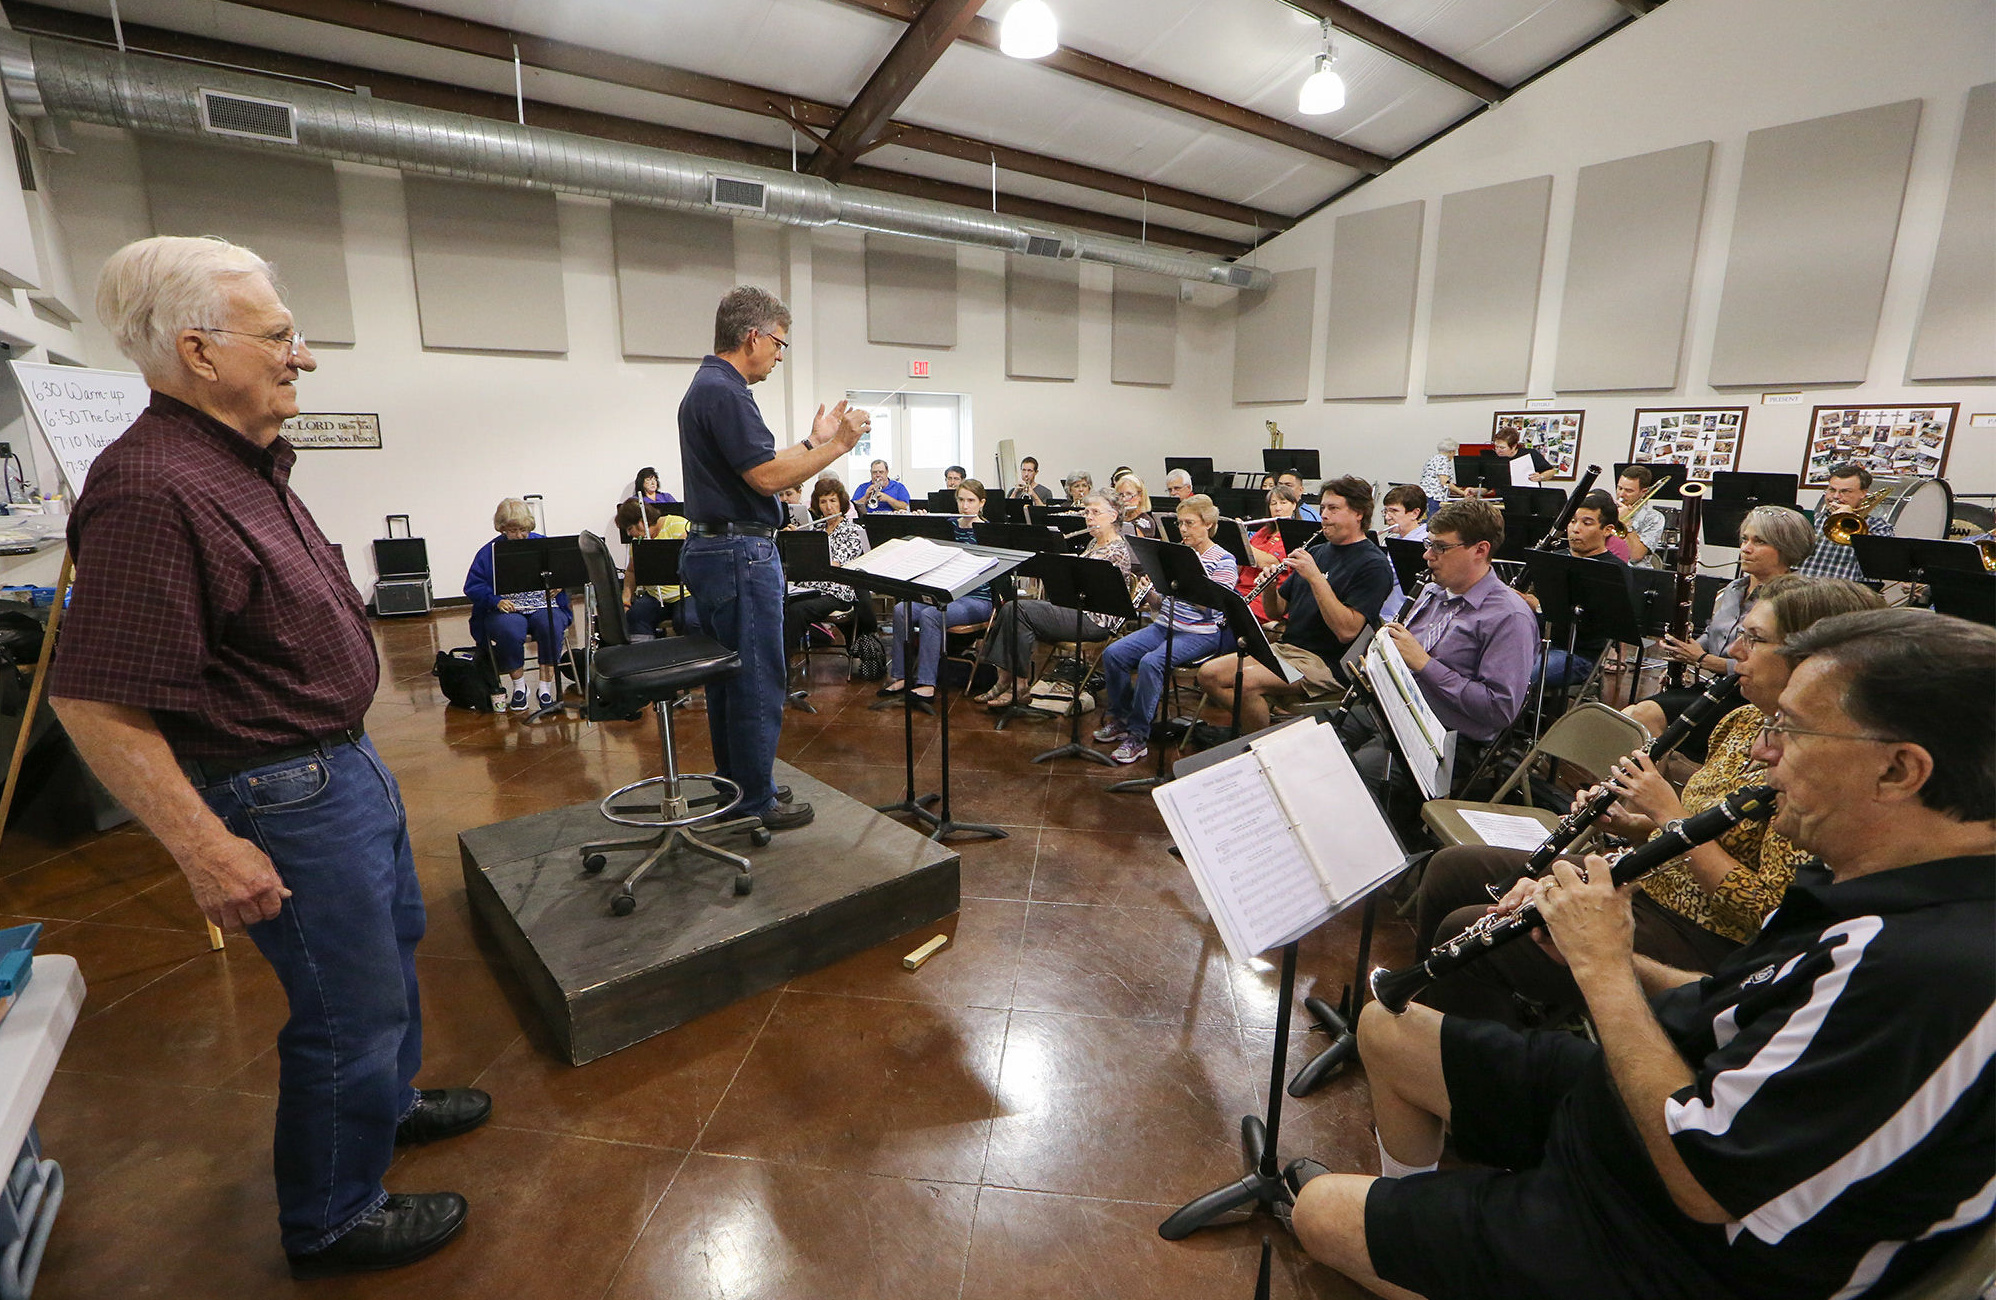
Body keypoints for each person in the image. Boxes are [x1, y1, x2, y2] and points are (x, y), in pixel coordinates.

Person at [1289, 607, 1995, 1300]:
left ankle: (1455, 1239)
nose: (1762, 751)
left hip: (1676, 1248)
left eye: (1793, 730)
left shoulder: (1931, 968)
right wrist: (1615, 952)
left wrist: (1600, 970)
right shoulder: (1864, 878)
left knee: (1319, 1212)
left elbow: (1704, 1178)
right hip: (1640, 1124)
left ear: (1900, 770)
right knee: (1389, 1027)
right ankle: (1445, 1227)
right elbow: (1746, 1009)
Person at [49, 235, 485, 1278]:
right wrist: (205, 849)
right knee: (346, 1007)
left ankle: (392, 1103)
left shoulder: (238, 460)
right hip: (279, 789)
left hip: (341, 762)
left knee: (390, 954)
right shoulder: (153, 488)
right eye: (283, 335)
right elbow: (91, 699)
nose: (305, 357)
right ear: (199, 351)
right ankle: (333, 1214)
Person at [1410, 576, 1882, 1031]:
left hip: (1705, 937)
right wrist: (1636, 824)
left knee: (1471, 933)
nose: (1734, 652)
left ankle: (1468, 1071)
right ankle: (1415, 1010)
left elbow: (1765, 913)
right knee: (1451, 869)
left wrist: (1667, 815)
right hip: (1647, 878)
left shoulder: (1821, 773)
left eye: (1754, 640)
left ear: (1812, 661)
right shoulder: (1742, 721)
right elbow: (1712, 823)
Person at [678, 285, 866, 832]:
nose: (780, 356)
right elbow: (764, 477)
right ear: (753, 335)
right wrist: (838, 448)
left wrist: (812, 441)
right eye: (779, 344)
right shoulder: (727, 392)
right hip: (740, 554)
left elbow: (756, 461)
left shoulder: (709, 386)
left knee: (730, 679)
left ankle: (737, 784)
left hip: (716, 549)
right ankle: (755, 800)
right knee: (758, 680)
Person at [1335, 500, 1538, 839]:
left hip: (1445, 738)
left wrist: (1424, 664)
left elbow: (1499, 709)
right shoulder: (1431, 592)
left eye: (1441, 547)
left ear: (1480, 550)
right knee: (1314, 742)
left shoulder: (1509, 618)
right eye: (1429, 544)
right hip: (1393, 709)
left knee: (1354, 778)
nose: (1428, 556)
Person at [1198, 477, 1393, 734]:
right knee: (1208, 674)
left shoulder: (1373, 564)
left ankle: (1259, 743)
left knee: (1243, 684)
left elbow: (1347, 631)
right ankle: (1261, 730)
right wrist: (1268, 587)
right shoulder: (1319, 551)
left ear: (1359, 514)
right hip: (1288, 648)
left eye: (1333, 509)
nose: (1323, 515)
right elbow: (1276, 611)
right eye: (1323, 508)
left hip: (1326, 662)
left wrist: (1314, 577)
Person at [1628, 503, 1814, 759]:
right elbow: (1714, 634)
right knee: (1629, 719)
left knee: (1643, 718)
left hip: (1748, 701)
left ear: (1787, 548)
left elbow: (1768, 667)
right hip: (1715, 689)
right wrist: (1684, 649)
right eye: (1745, 539)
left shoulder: (1790, 600)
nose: (1745, 549)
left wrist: (1702, 660)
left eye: (1758, 542)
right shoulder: (1735, 588)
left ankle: (1649, 795)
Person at [1095, 493, 1239, 765]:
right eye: (1180, 524)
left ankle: (1138, 737)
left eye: (1190, 523)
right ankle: (1122, 718)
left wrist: (1183, 579)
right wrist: (1151, 592)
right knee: (1114, 653)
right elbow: (1163, 603)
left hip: (1200, 633)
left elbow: (1214, 605)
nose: (1183, 529)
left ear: (1208, 523)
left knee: (1151, 663)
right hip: (1165, 625)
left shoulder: (1224, 560)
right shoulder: (1177, 554)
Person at [974, 490, 1136, 706]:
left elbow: (1090, 589)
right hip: (1076, 609)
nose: (1089, 517)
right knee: (1010, 609)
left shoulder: (1116, 549)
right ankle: (1007, 680)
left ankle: (1017, 684)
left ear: (1113, 516)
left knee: (1018, 610)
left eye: (1095, 512)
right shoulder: (1094, 543)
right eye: (1087, 512)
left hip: (1095, 619)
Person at [881, 479, 995, 707]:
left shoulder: (989, 531)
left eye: (971, 501)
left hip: (978, 600)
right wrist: (922, 525)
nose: (965, 506)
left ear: (981, 503)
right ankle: (901, 675)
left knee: (930, 616)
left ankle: (927, 683)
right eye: (961, 500)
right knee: (901, 609)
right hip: (948, 595)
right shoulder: (948, 526)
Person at [466, 497, 575, 711]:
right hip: (507, 608)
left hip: (544, 605)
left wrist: (560, 584)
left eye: (523, 529)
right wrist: (495, 601)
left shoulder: (543, 543)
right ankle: (519, 687)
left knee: (550, 625)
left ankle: (545, 688)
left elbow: (567, 571)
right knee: (510, 630)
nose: (520, 535)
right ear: (502, 528)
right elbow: (473, 586)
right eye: (513, 530)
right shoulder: (489, 552)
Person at [1528, 489, 1627, 691]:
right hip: (1533, 642)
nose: (1575, 528)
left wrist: (1538, 606)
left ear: (1607, 529)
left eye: (1586, 523)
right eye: (1572, 521)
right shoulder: (1553, 557)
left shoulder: (1613, 570)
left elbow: (1592, 624)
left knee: (1528, 674)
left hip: (1577, 654)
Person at [783, 477, 877, 655]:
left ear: (841, 503)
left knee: (797, 611)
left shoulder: (852, 530)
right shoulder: (816, 531)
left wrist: (805, 548)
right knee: (780, 604)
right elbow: (799, 566)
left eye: (833, 500)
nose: (828, 506)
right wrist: (793, 540)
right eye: (823, 501)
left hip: (837, 592)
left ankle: (782, 664)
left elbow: (834, 564)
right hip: (811, 588)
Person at [1797, 461, 1894, 584]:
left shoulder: (1879, 526)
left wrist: (1850, 517)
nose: (1836, 496)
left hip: (1847, 597)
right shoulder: (1812, 521)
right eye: (1832, 490)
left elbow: (1882, 560)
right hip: (1805, 592)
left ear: (1863, 493)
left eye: (1845, 491)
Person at [616, 498, 696, 640]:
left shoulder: (677, 525)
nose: (629, 534)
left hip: (686, 593)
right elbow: (631, 571)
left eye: (630, 529)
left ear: (641, 522)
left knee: (688, 621)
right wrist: (626, 601)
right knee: (635, 617)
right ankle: (646, 658)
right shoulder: (638, 542)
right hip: (655, 596)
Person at [1236, 484, 1300, 622]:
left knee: (1236, 616)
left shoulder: (1293, 535)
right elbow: (1242, 559)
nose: (1278, 508)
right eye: (1273, 503)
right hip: (1241, 589)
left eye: (1283, 503)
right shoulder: (1263, 531)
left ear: (1294, 505)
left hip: (1265, 596)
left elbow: (1271, 562)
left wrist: (1239, 537)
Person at [1377, 483, 1430, 621]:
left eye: (1393, 511)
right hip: (1385, 613)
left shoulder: (1422, 543)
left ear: (1414, 513)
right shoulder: (1393, 539)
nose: (1387, 517)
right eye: (1385, 511)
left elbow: (1385, 575)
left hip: (1398, 616)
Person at [1614, 464, 1666, 566]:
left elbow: (1635, 556)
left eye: (1628, 491)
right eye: (1619, 488)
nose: (1621, 494)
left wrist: (1626, 523)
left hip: (1635, 573)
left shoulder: (1654, 518)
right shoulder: (1608, 510)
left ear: (1644, 492)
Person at [1419, 438, 1462, 514]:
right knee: (1434, 521)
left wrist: (1455, 490)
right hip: (1435, 497)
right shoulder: (1443, 460)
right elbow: (1445, 482)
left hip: (1427, 495)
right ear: (1451, 451)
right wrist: (1462, 492)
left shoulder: (1434, 458)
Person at [1114, 473, 1157, 538]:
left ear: (1140, 496)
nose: (1124, 499)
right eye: (1121, 495)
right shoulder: (1116, 519)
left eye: (1129, 494)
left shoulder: (1146, 521)